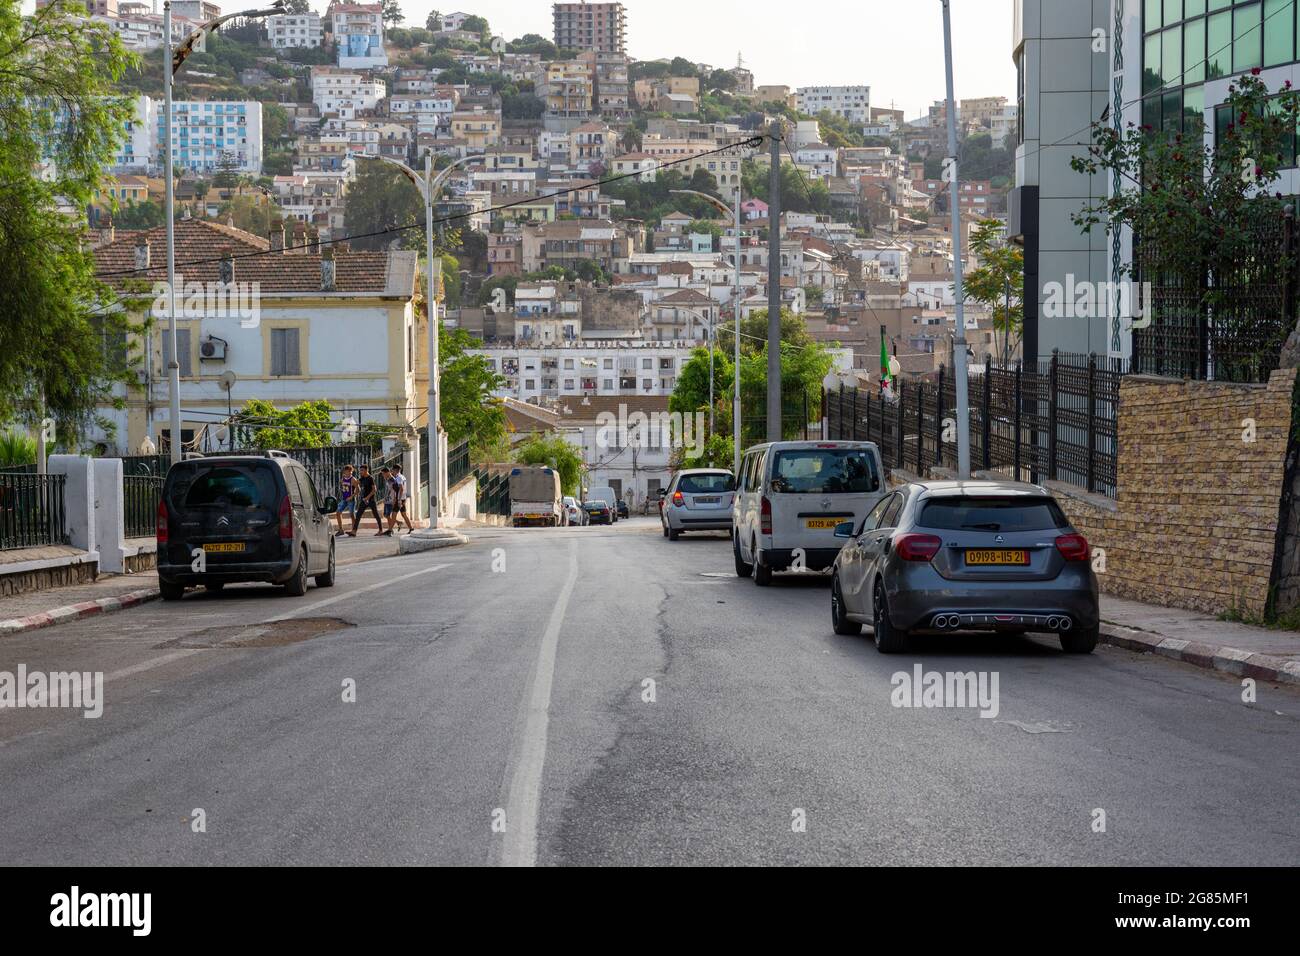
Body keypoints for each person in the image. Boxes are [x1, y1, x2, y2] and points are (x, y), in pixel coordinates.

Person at [350, 464, 383, 536]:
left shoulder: (370, 478)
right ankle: (354, 531)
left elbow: (374, 490)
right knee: (358, 514)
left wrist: (367, 498)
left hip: (371, 500)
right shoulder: (362, 478)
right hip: (364, 500)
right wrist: (348, 477)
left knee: (376, 515)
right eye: (360, 470)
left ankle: (380, 530)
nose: (360, 472)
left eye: (362, 470)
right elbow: (355, 482)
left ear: (366, 470)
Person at [385, 463, 415, 535]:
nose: (392, 471)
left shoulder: (399, 478)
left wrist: (398, 500)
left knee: (394, 514)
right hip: (403, 498)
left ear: (396, 470)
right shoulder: (402, 477)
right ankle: (411, 528)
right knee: (404, 514)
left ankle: (390, 530)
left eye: (392, 470)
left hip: (400, 499)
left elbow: (401, 489)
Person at [334, 464, 357, 533]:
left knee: (352, 514)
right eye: (347, 471)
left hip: (351, 500)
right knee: (338, 512)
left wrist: (351, 497)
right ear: (344, 472)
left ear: (352, 471)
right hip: (344, 499)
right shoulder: (343, 479)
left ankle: (354, 530)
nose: (349, 473)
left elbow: (358, 490)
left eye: (350, 471)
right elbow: (342, 486)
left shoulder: (353, 479)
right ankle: (341, 529)